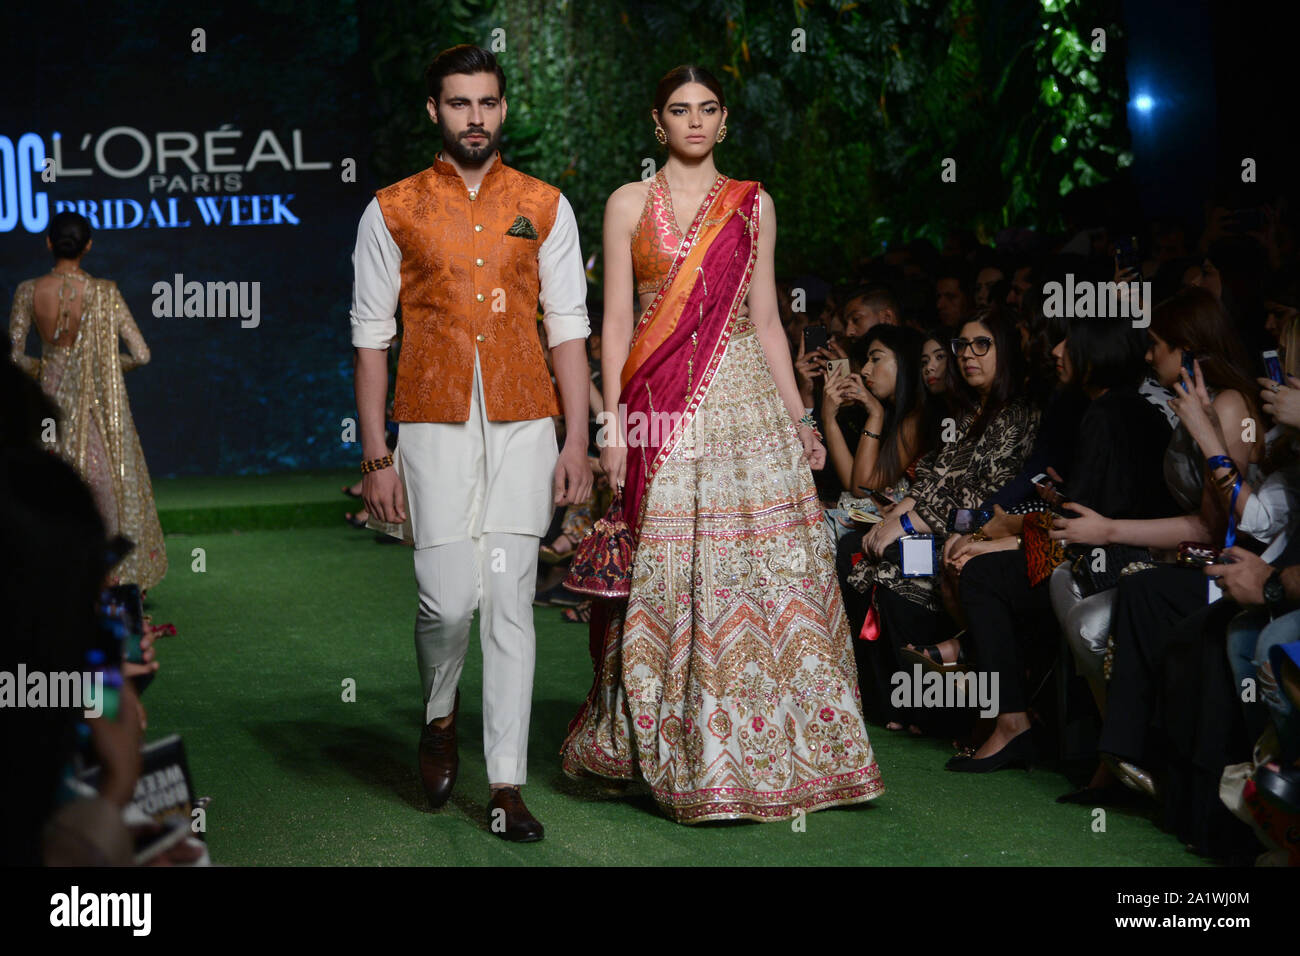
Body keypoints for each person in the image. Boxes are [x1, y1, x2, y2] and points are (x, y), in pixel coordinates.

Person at [562, 65, 884, 822]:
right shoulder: (626, 204)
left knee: (761, 572)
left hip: (746, 404)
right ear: (657, 121)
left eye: (708, 109)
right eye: (680, 109)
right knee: (670, 569)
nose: (695, 122)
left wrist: (804, 418)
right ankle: (672, 746)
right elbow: (613, 322)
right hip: (657, 405)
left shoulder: (753, 205)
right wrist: (612, 421)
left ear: (726, 120)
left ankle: (785, 749)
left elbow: (769, 322)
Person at [350, 45, 592, 842]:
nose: (476, 118)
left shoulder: (546, 205)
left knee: (510, 608)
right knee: (446, 601)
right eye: (460, 104)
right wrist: (376, 455)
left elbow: (567, 331)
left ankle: (507, 785)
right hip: (430, 420)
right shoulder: (391, 208)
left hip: (527, 421)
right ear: (435, 111)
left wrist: (576, 442)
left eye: (487, 103)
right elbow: (370, 338)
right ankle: (439, 713)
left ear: (503, 109)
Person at [7, 212, 167, 593]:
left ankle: (49, 579)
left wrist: (46, 366)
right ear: (89, 246)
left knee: (45, 486)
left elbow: (12, 357)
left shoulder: (28, 291)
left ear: (48, 243)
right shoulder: (105, 294)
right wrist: (104, 367)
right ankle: (110, 579)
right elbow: (142, 354)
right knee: (103, 487)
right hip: (96, 405)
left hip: (46, 403)